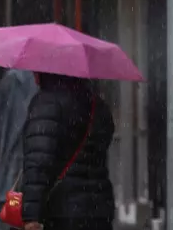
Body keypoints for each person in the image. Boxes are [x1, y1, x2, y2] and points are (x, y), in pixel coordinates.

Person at [20, 73, 115, 230]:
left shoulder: (46, 103)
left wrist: (31, 216)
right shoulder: (97, 104)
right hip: (98, 209)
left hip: (62, 212)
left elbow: (38, 163)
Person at [0, 69, 38, 218]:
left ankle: (12, 213)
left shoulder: (10, 78)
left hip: (11, 136)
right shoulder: (42, 78)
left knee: (11, 177)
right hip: (31, 134)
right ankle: (18, 212)